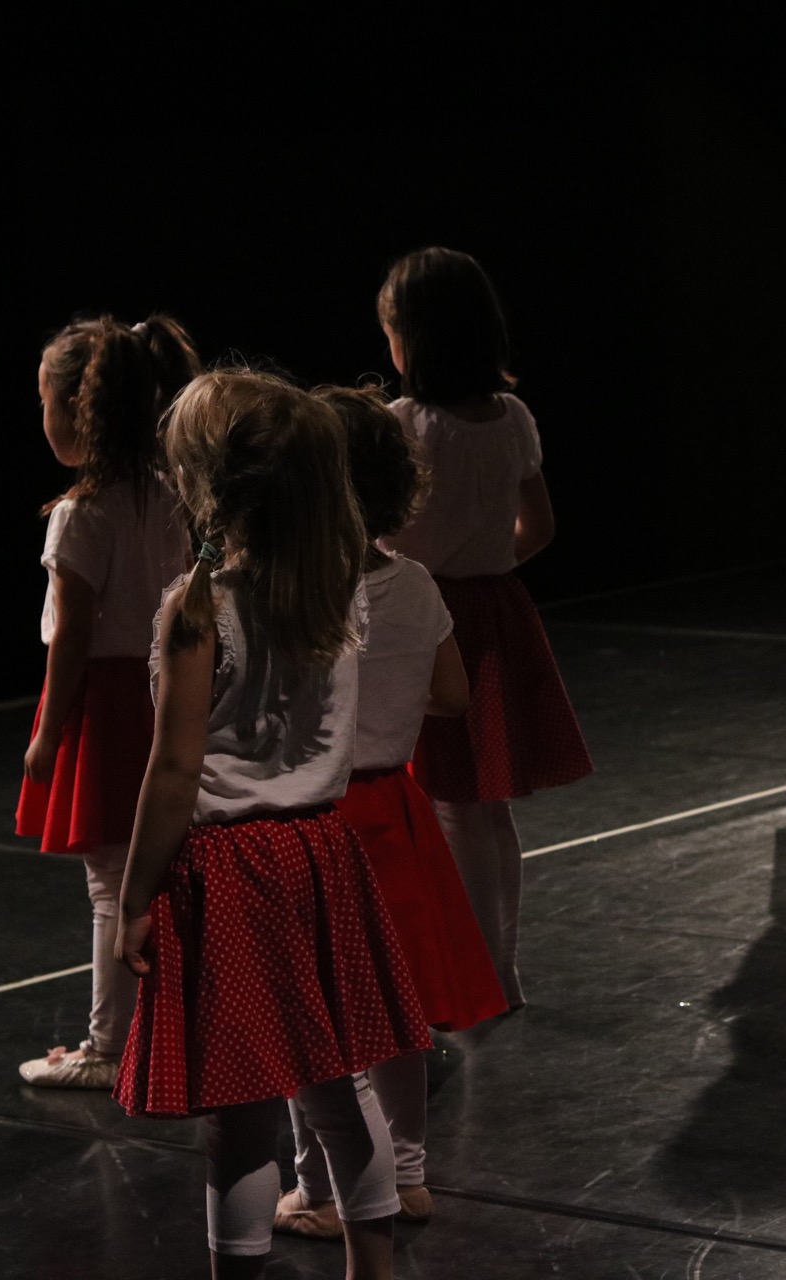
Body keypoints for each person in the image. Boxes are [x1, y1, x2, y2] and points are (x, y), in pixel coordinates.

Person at [114, 371, 430, 1279]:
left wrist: (136, 895)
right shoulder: (339, 589)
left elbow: (175, 771)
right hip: (318, 853)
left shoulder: (200, 606)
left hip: (228, 868)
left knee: (241, 1111)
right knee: (338, 1083)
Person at [276, 386, 510, 1241]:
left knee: (322, 1014)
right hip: (396, 808)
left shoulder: (292, 592)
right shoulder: (411, 581)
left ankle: (327, 1189)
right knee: (399, 1008)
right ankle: (407, 1174)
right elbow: (451, 694)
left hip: (319, 815)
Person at [379, 247, 593, 1010]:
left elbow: (385, 532)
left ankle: (480, 975)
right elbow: (539, 523)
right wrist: (491, 562)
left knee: (454, 808)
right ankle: (500, 968)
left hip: (427, 619)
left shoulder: (403, 424)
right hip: (496, 609)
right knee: (484, 808)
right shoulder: (513, 417)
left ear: (413, 337)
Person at [15, 313, 199, 1088]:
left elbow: (75, 639)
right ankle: (165, 1024)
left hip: (109, 704)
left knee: (110, 881)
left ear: (73, 408)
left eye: (44, 403)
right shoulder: (170, 495)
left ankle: (106, 1046)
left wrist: (48, 736)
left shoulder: (80, 515)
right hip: (167, 688)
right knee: (160, 868)